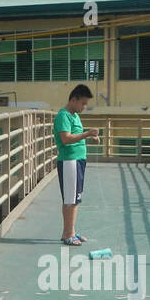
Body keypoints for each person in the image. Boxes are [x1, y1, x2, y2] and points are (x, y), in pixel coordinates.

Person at [53, 84, 98, 245]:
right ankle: (67, 234)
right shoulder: (63, 116)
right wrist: (87, 134)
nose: (84, 107)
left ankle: (71, 231)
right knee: (70, 199)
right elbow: (66, 138)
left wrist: (89, 136)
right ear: (73, 100)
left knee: (75, 198)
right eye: (83, 103)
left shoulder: (74, 115)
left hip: (78, 160)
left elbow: (76, 135)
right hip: (69, 161)